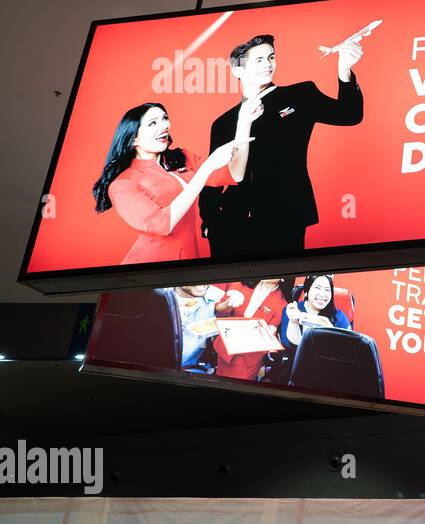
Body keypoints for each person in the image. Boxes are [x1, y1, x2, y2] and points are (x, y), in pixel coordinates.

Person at [202, 33, 363, 256]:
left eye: (271, 57)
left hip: (286, 216)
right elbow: (212, 178)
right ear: (238, 70)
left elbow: (350, 115)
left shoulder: (300, 95)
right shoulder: (223, 123)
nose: (268, 65)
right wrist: (209, 222)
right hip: (231, 223)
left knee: (279, 288)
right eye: (259, 60)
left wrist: (344, 71)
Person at [91, 103, 254, 264]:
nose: (164, 125)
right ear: (134, 139)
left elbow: (235, 175)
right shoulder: (122, 184)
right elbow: (163, 224)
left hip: (188, 259)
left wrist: (243, 124)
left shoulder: (182, 157)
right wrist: (207, 167)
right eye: (153, 123)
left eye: (165, 118)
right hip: (150, 269)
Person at [213, 278, 293, 382]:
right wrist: (228, 303)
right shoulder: (240, 284)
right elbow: (218, 309)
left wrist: (268, 332)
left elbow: (270, 334)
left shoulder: (282, 304)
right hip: (226, 348)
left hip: (248, 358)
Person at [279, 274, 352, 367]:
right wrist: (294, 322)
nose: (322, 294)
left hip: (329, 367)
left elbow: (347, 350)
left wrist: (331, 330)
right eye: (317, 288)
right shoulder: (292, 310)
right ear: (306, 291)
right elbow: (290, 346)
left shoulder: (339, 316)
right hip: (297, 367)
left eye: (327, 290)